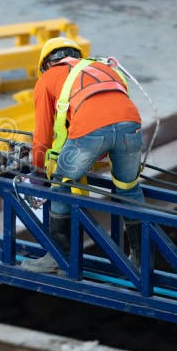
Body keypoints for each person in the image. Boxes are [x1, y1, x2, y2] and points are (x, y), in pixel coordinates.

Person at [21, 37, 145, 273]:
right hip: (131, 126)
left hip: (90, 133)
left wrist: (38, 171)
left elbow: (42, 138)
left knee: (60, 185)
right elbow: (115, 111)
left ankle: (58, 257)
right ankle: (140, 260)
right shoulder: (105, 67)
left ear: (47, 64)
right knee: (129, 189)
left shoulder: (49, 78)